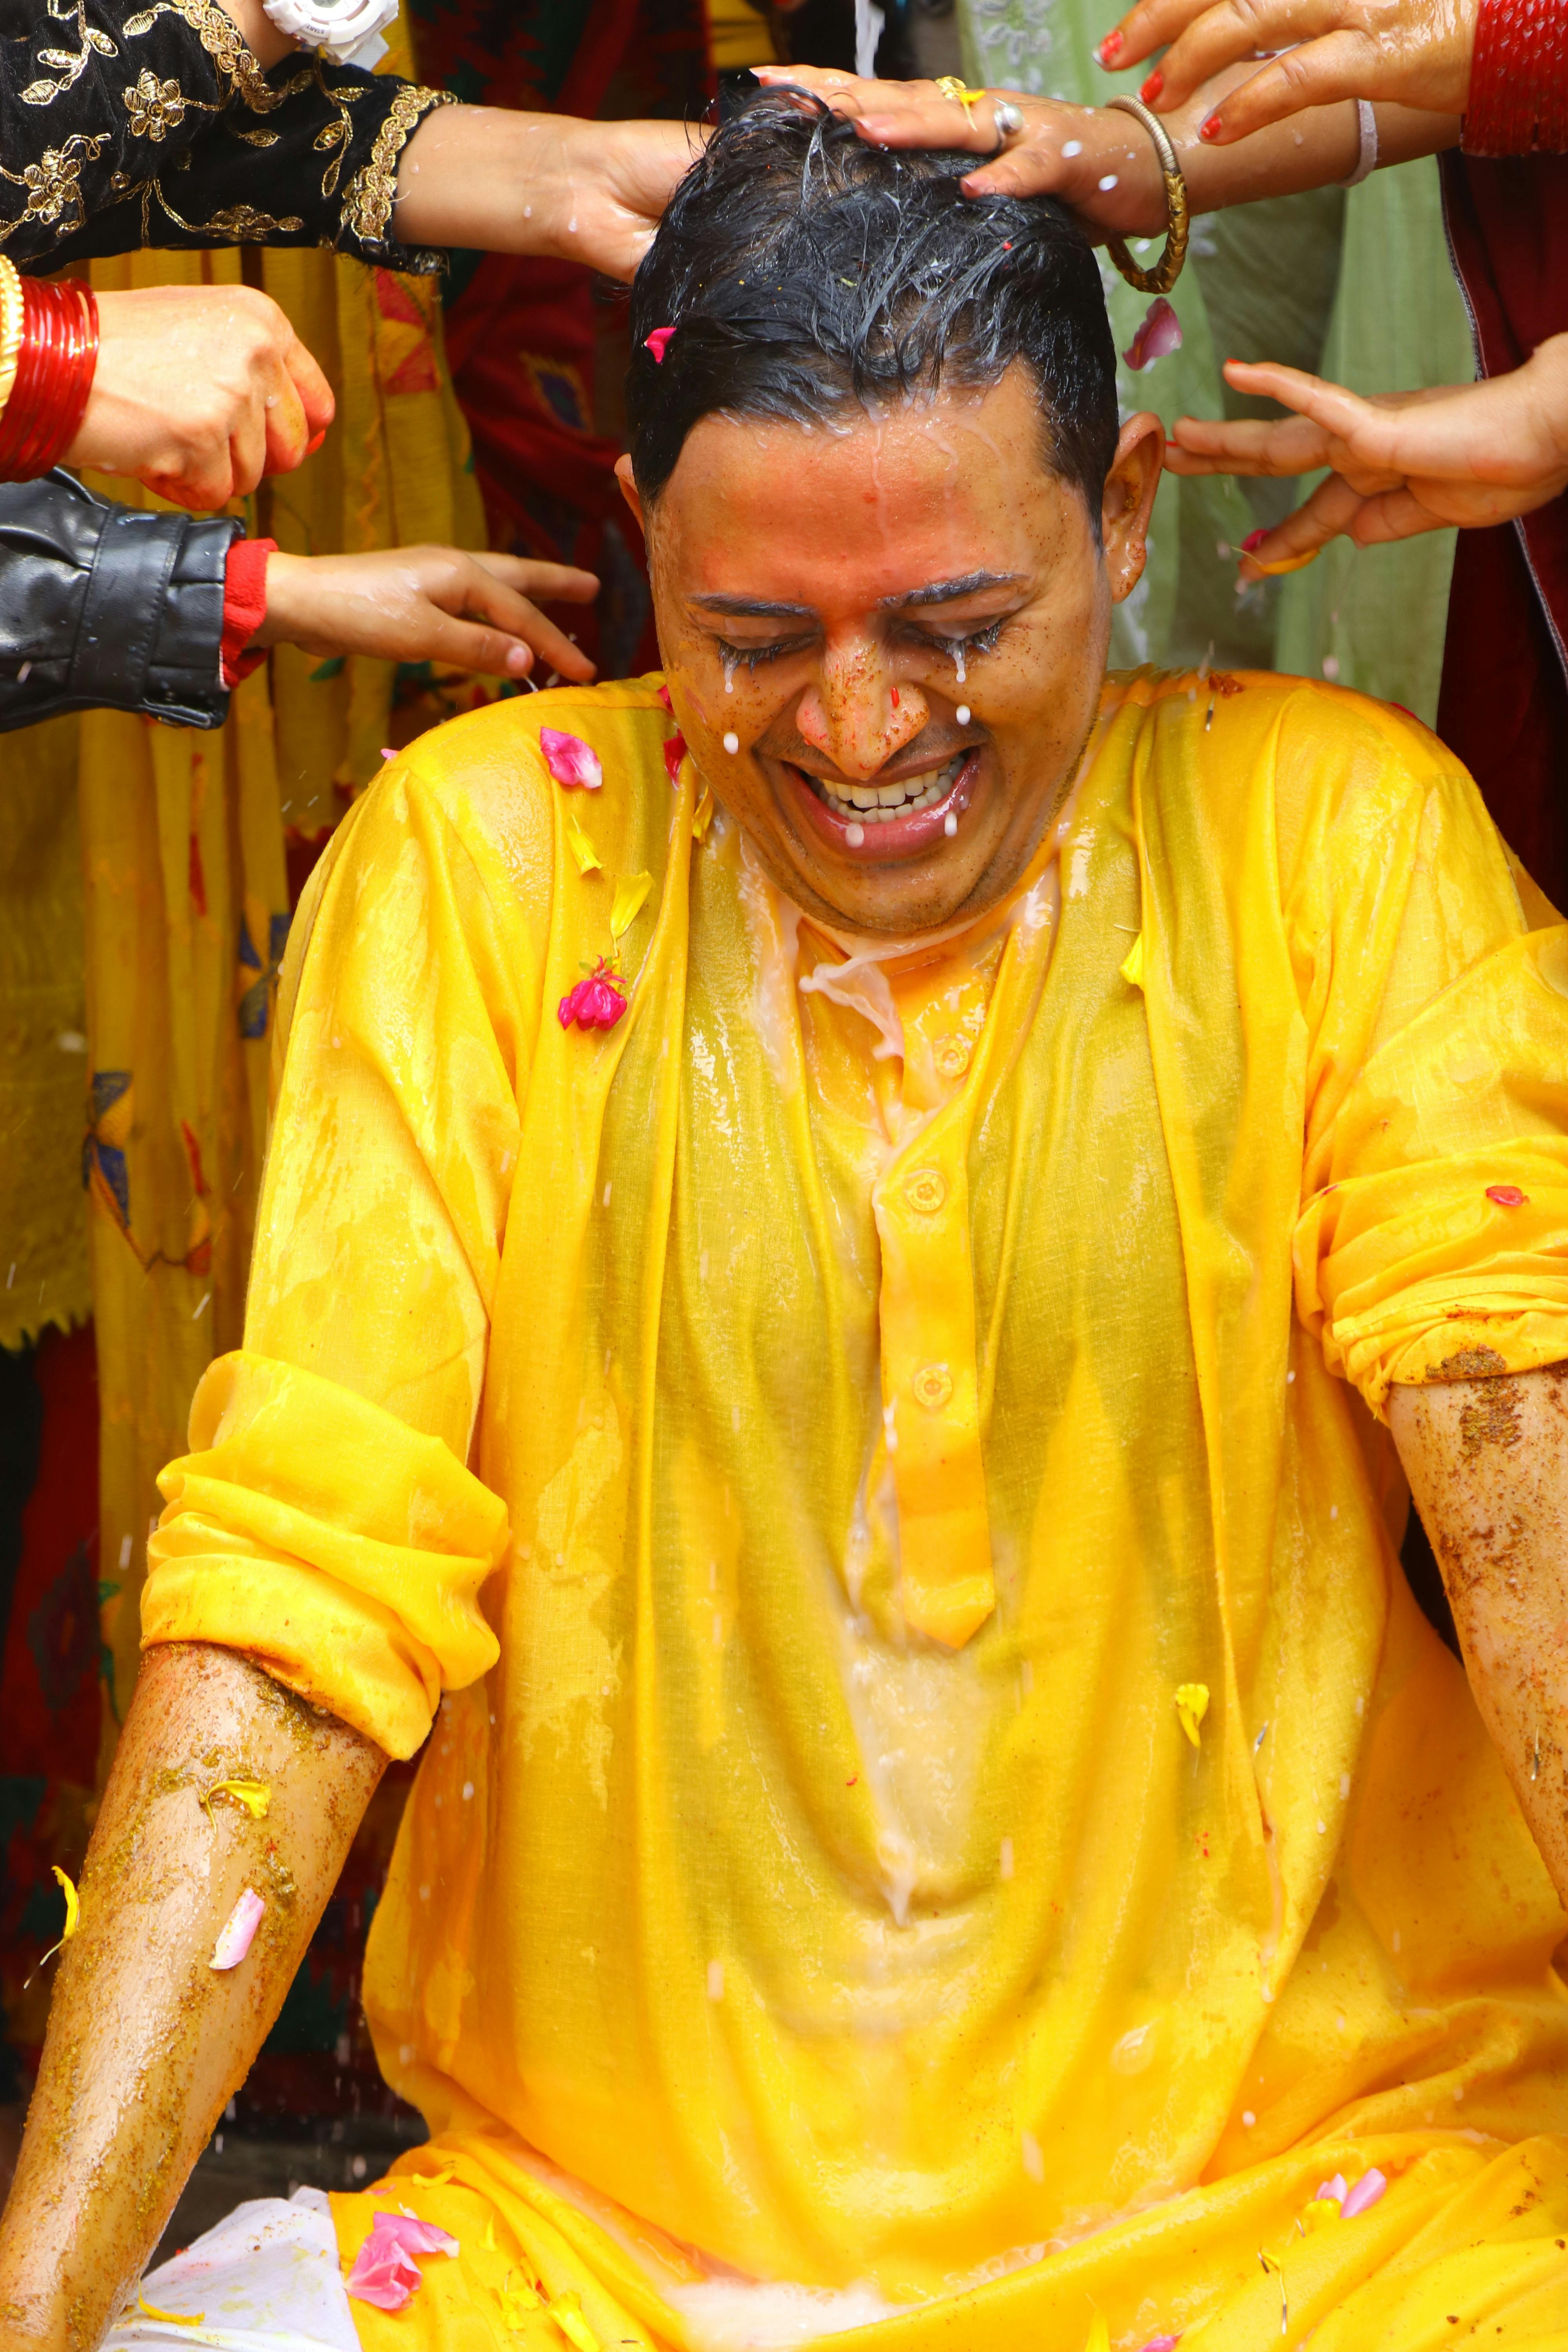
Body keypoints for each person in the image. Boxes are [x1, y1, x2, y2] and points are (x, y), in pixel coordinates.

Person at [8, 92, 1568, 2351]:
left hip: (1326, 2223)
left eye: (954, 624)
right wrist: (39, 2308)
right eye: (750, 630)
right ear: (640, 533)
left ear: (1124, 518)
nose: (854, 729)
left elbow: (1522, 1444)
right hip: (607, 2256)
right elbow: (294, 1598)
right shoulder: (478, 869)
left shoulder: (1339, 843)